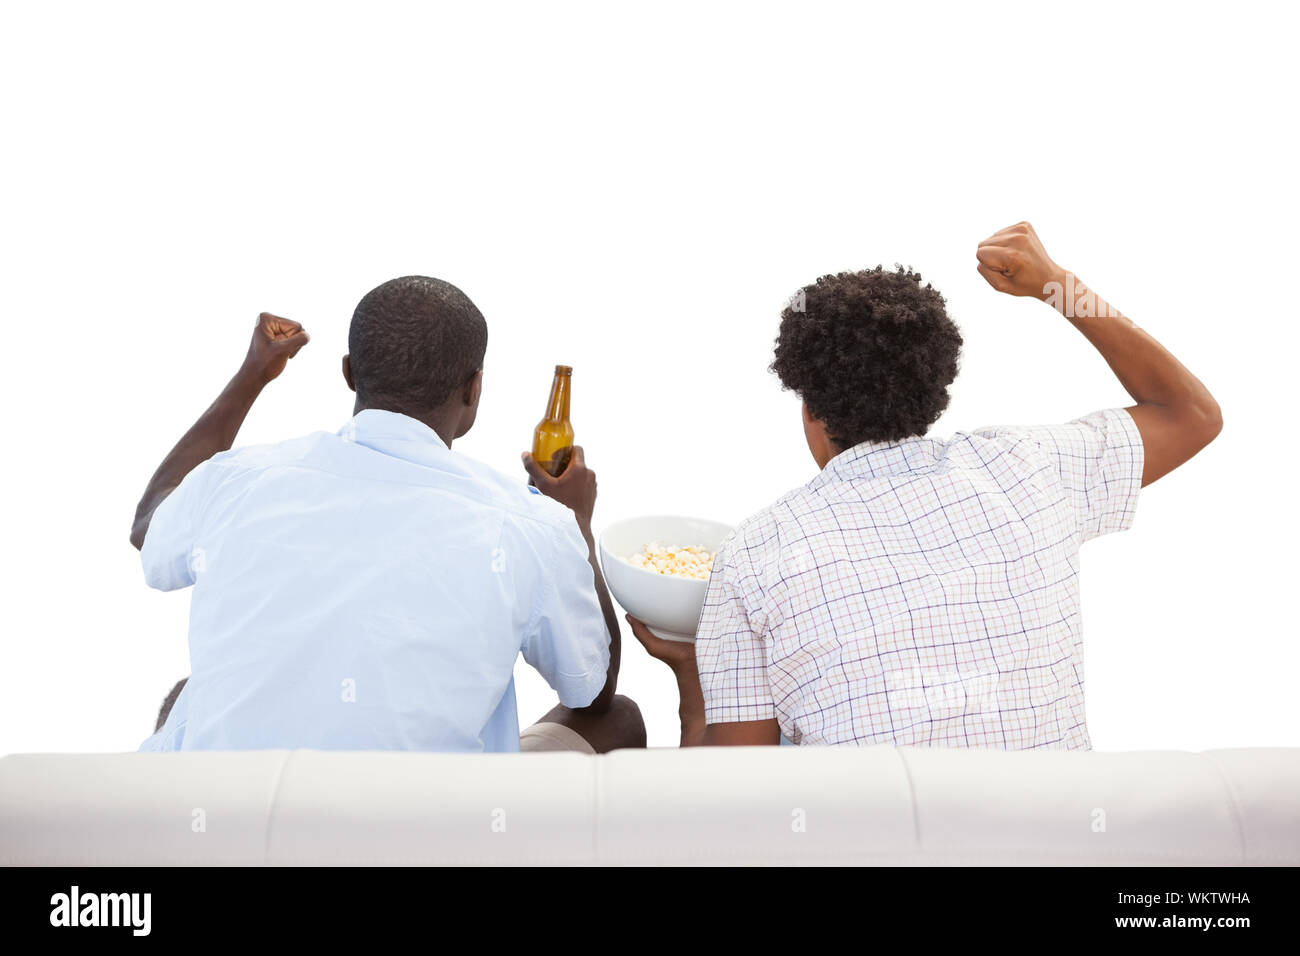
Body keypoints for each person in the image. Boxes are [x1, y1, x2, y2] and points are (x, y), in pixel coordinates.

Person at [630, 222, 1222, 749]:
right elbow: (1191, 414)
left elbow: (732, 799)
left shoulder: (755, 552)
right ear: (934, 390)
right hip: (1061, 835)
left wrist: (693, 674)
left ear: (809, 406)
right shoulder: (1029, 465)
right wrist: (1055, 284)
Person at [132, 276, 643, 754]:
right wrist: (574, 523)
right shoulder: (530, 524)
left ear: (349, 373)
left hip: (220, 822)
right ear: (474, 390)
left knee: (187, 697)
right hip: (418, 833)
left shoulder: (240, 479)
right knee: (617, 718)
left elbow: (149, 525)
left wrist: (254, 374)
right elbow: (591, 693)